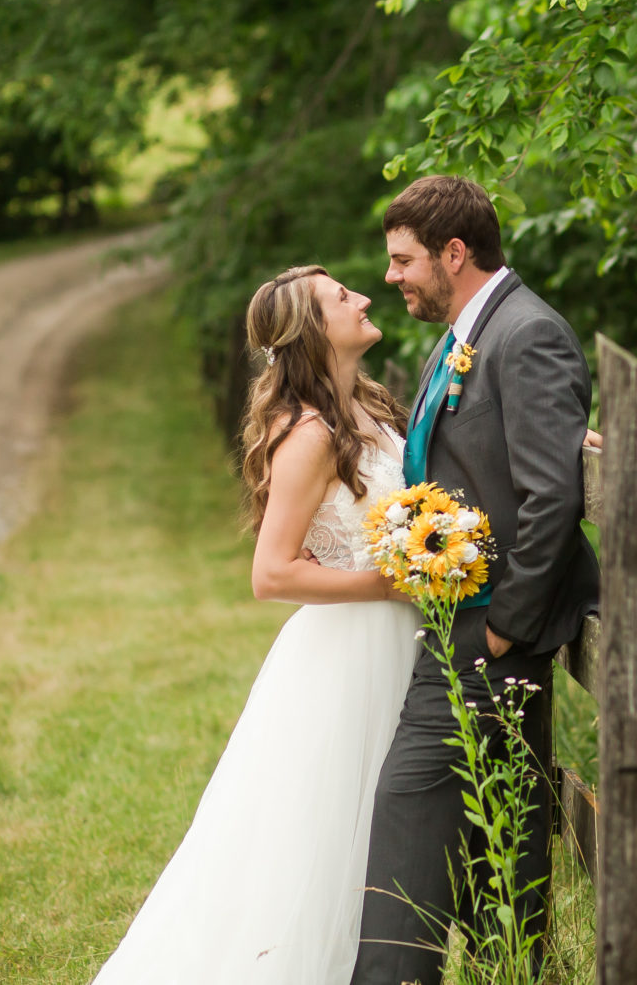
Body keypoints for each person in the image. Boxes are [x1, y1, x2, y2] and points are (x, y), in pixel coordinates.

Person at [91, 265, 423, 983]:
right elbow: (270, 572)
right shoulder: (306, 433)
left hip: (395, 641)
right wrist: (393, 584)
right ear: (312, 330)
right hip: (350, 651)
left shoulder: (370, 406)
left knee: (372, 830)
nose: (363, 297)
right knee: (323, 838)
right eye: (342, 297)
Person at [352, 175, 600, 985]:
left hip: (490, 633)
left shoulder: (526, 334)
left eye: (403, 260)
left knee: (407, 814)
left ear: (453, 253)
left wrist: (505, 627)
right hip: (463, 620)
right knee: (506, 837)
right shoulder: (468, 331)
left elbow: (551, 495)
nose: (392, 277)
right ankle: (514, 971)